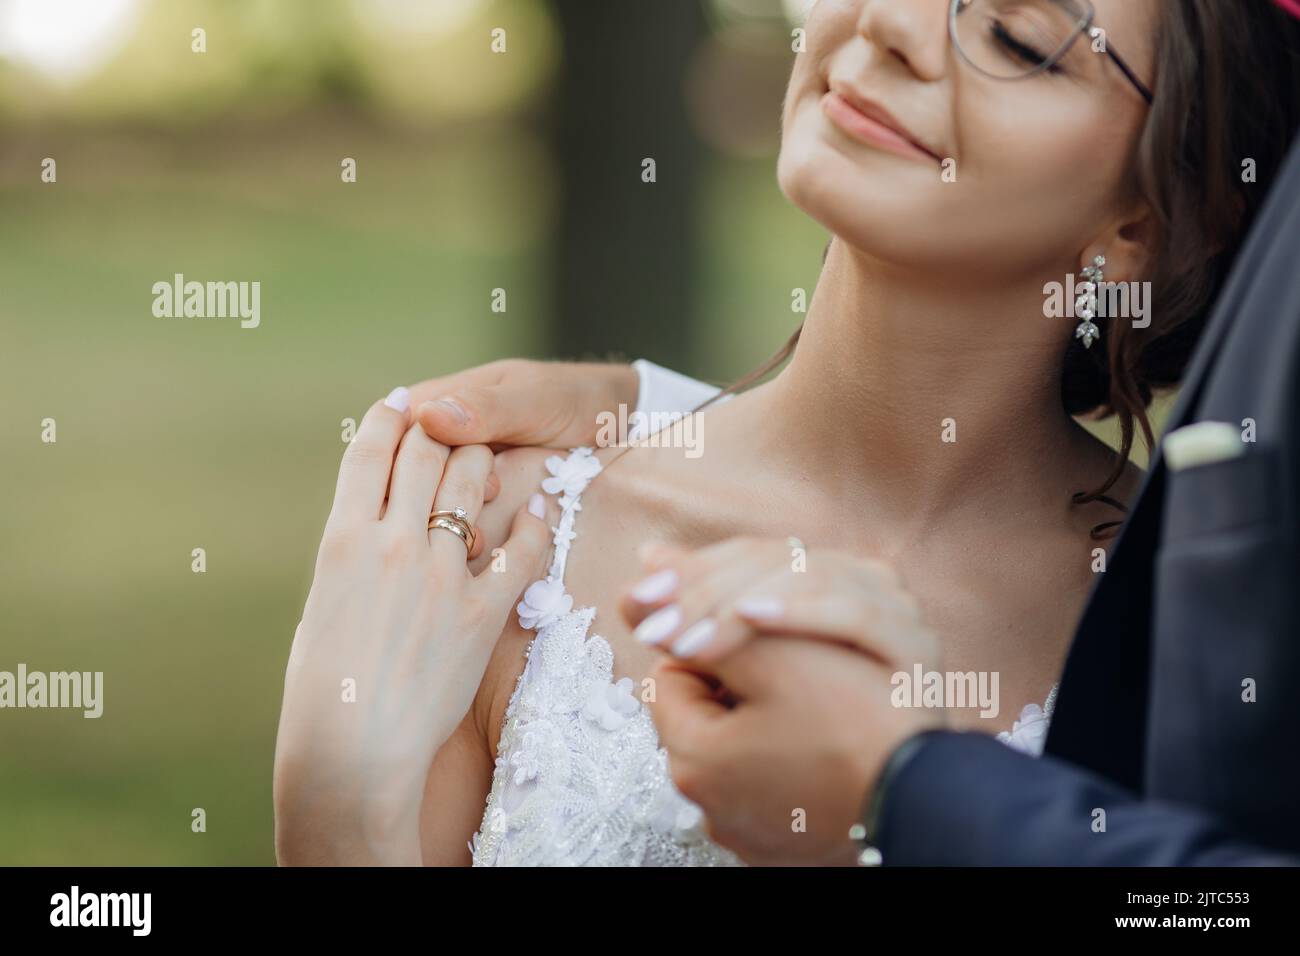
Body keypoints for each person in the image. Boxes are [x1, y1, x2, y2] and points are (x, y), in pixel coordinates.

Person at [272, 0, 1300, 865]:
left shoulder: (1186, 646)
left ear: (1141, 230)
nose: (890, 24)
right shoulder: (511, 536)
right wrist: (330, 819)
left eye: (1016, 35)